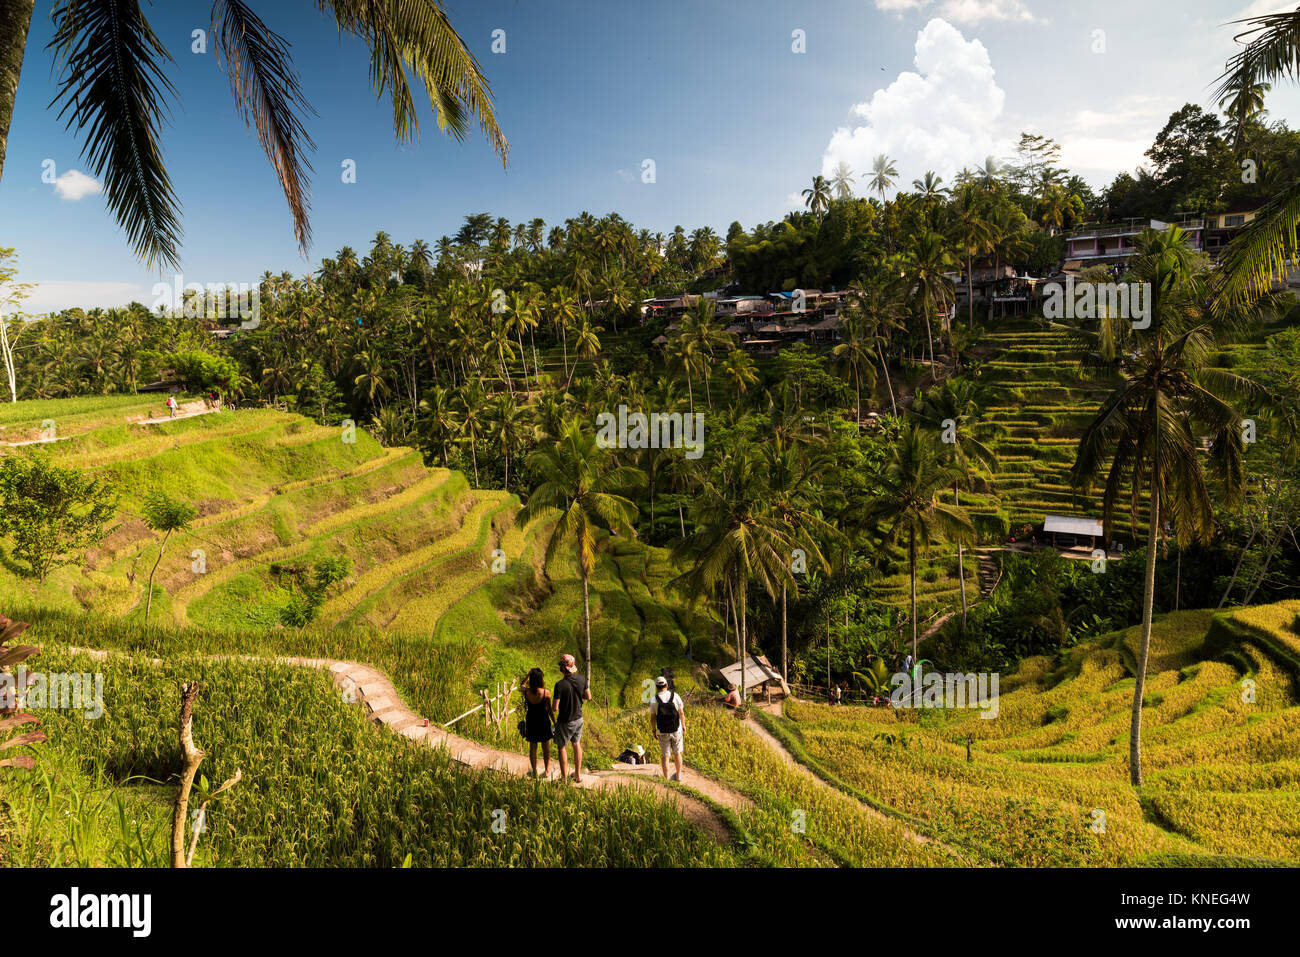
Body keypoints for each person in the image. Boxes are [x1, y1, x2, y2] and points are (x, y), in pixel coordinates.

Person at [551, 654, 590, 783]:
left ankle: (564, 778)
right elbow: (588, 697)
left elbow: (555, 707)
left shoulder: (559, 685)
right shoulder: (582, 679)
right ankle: (577, 775)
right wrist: (577, 695)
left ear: (563, 668)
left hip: (566, 721)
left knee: (562, 747)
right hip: (579, 718)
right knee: (576, 743)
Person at [650, 676, 685, 781]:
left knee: (666, 756)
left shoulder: (653, 700)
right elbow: (681, 713)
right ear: (667, 685)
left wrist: (654, 730)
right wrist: (683, 725)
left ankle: (666, 779)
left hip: (662, 731)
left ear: (656, 687)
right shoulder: (675, 696)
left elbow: (652, 718)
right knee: (677, 753)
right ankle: (678, 776)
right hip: (676, 730)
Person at [521, 668, 553, 779]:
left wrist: (528, 674)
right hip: (543, 721)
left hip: (531, 721)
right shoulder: (546, 692)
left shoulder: (526, 692)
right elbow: (549, 710)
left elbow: (522, 684)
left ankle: (534, 771)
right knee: (546, 748)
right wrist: (555, 722)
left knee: (532, 748)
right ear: (540, 679)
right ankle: (547, 770)